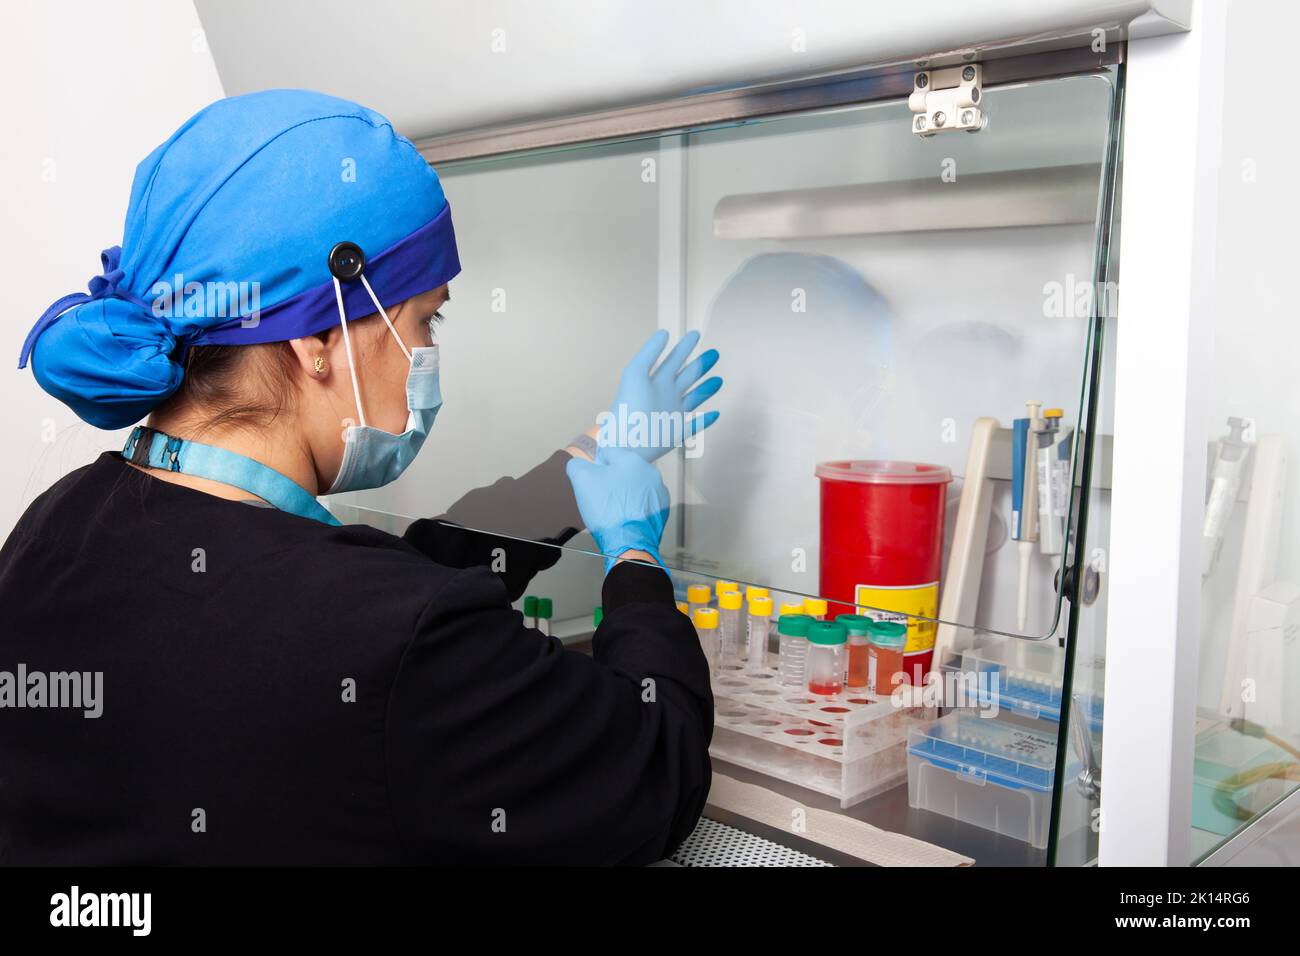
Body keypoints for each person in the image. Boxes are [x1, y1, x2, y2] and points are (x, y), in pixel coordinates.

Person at [0, 90, 722, 865]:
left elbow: (365, 593)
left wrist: (586, 458)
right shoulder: (386, 638)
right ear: (318, 339)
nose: (429, 353)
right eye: (425, 321)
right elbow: (652, 767)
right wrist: (636, 563)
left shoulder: (62, 522)